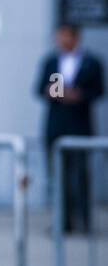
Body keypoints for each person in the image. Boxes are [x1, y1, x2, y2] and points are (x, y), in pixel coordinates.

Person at [35, 23, 104, 233]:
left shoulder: (91, 62)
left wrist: (78, 95)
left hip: (80, 125)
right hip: (56, 126)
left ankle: (83, 220)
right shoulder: (51, 61)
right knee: (58, 177)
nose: (61, 40)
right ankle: (64, 221)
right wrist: (53, 93)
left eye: (65, 36)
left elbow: (98, 90)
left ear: (75, 38)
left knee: (81, 175)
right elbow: (39, 88)